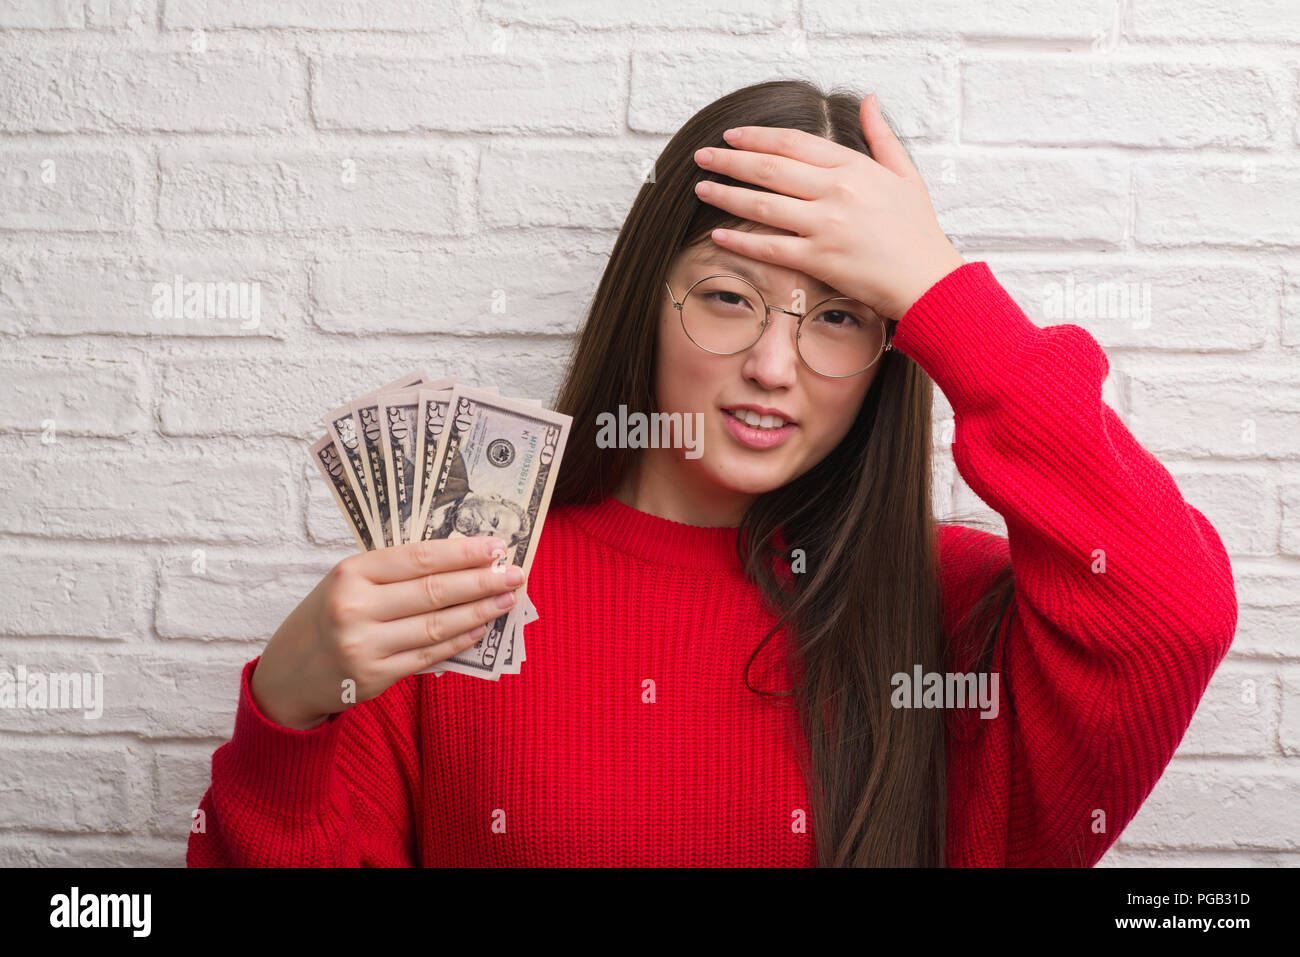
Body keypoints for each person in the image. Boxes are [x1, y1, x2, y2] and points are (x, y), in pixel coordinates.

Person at [186, 79, 1237, 867]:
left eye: (839, 317)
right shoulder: (456, 591)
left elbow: (1172, 613)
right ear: (648, 300)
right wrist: (287, 718)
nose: (773, 368)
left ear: (892, 353)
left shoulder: (955, 616)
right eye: (728, 298)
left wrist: (943, 293)